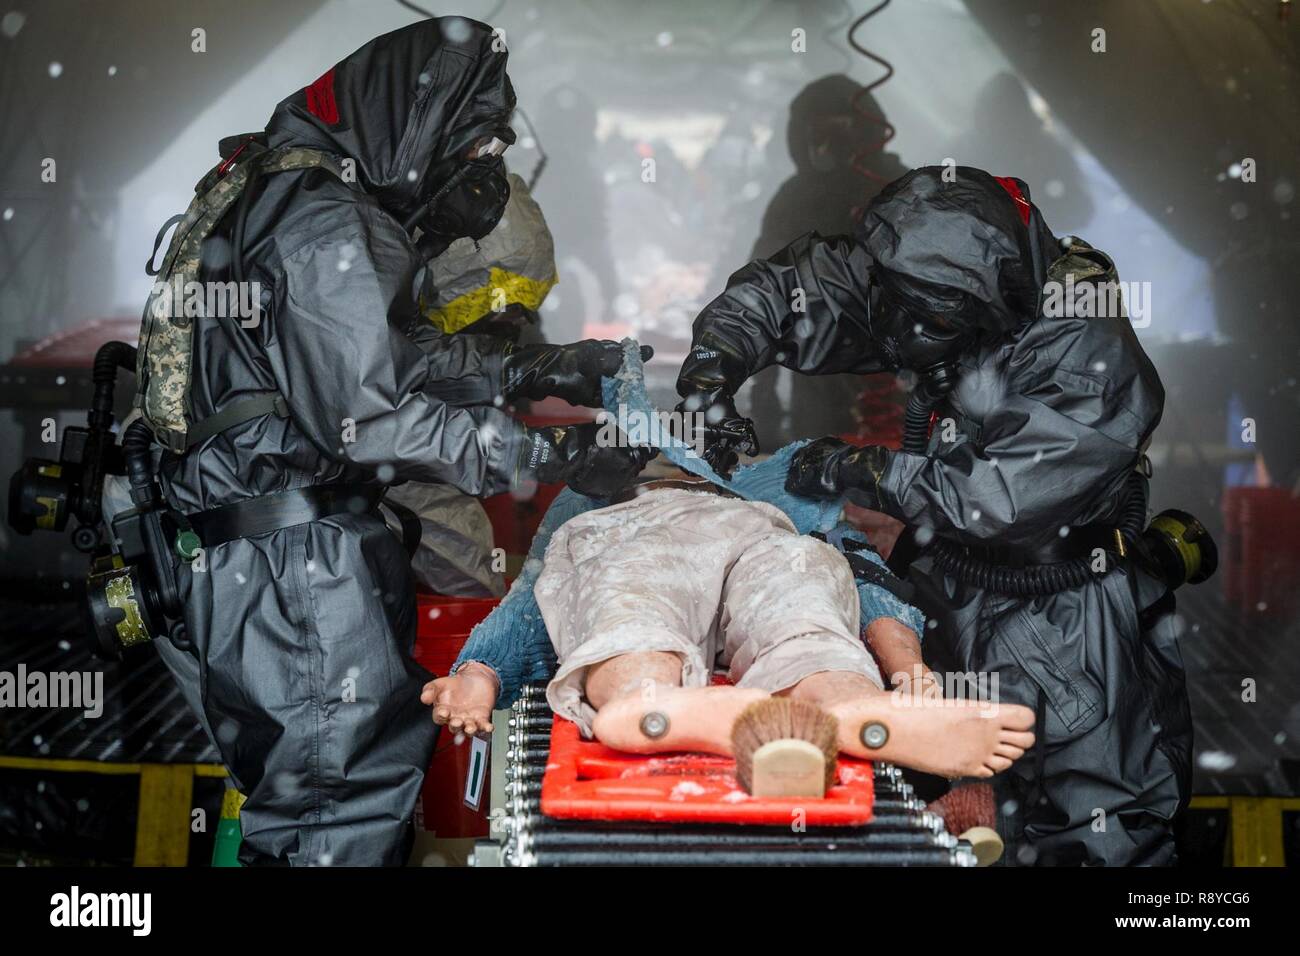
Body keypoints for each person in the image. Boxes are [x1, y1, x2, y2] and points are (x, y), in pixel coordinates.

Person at [146, 18, 647, 866]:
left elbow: (368, 361)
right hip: (290, 564)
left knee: (321, 795)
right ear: (415, 123)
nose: (484, 165)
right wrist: (542, 458)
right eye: (475, 140)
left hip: (261, 551)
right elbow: (367, 419)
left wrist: (525, 371)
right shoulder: (327, 223)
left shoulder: (286, 190)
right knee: (332, 812)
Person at [676, 166, 1192, 866]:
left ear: (988, 304)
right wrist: (713, 369)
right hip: (947, 594)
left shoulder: (1081, 341)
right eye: (901, 308)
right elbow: (786, 291)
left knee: (1098, 825)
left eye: (938, 322)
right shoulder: (918, 272)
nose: (910, 333)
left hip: (1065, 618)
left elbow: (1001, 498)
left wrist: (857, 467)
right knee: (933, 818)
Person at [424, 473, 1034, 782]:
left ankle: (652, 701)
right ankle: (843, 703)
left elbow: (533, 596)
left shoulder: (590, 491)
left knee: (634, 614)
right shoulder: (789, 482)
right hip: (754, 534)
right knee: (804, 607)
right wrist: (908, 670)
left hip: (641, 531)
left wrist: (479, 672)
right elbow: (866, 577)